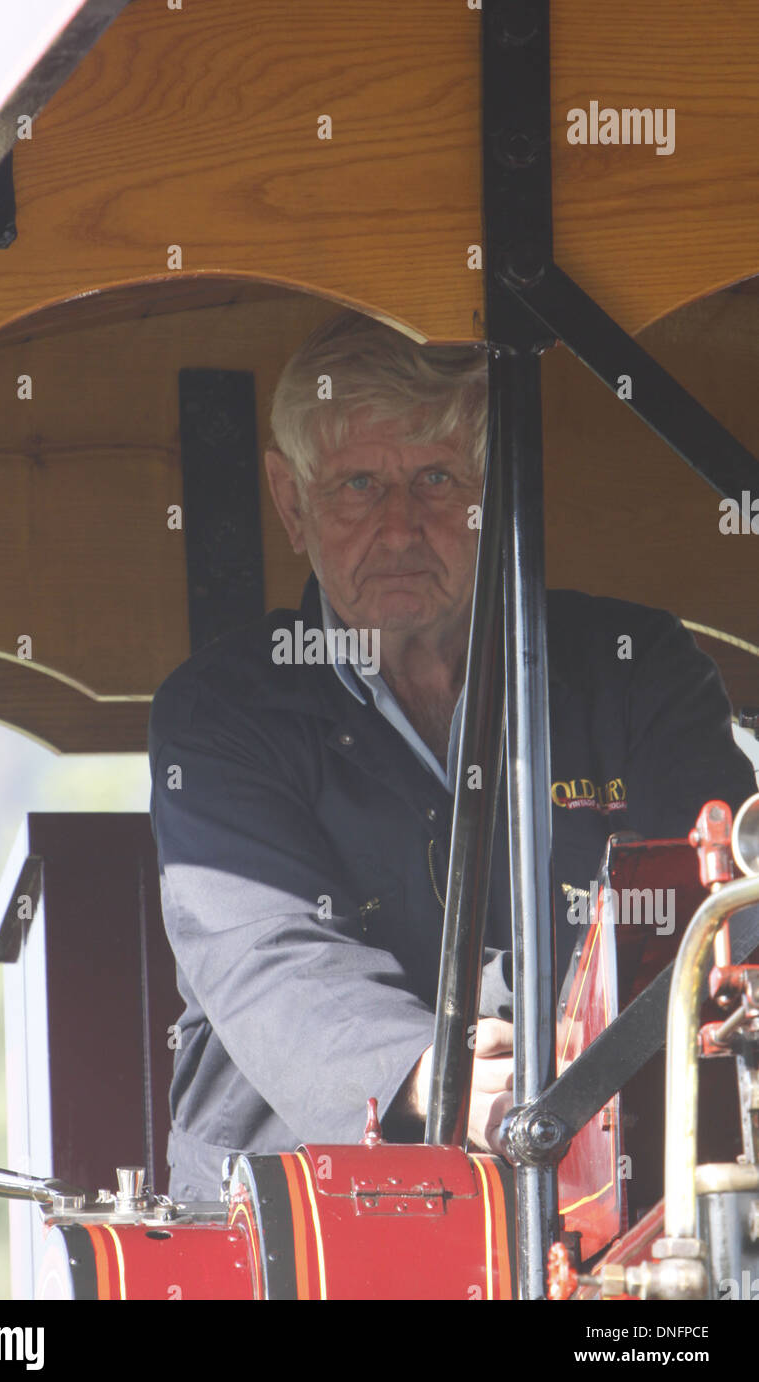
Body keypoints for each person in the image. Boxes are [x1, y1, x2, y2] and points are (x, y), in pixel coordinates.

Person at [149, 310, 757, 1202]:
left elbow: (720, 910)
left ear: (493, 492)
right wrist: (429, 1073)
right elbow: (269, 955)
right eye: (358, 484)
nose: (400, 529)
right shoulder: (220, 715)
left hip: (617, 1193)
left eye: (436, 479)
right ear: (291, 502)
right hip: (301, 1221)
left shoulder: (638, 668)